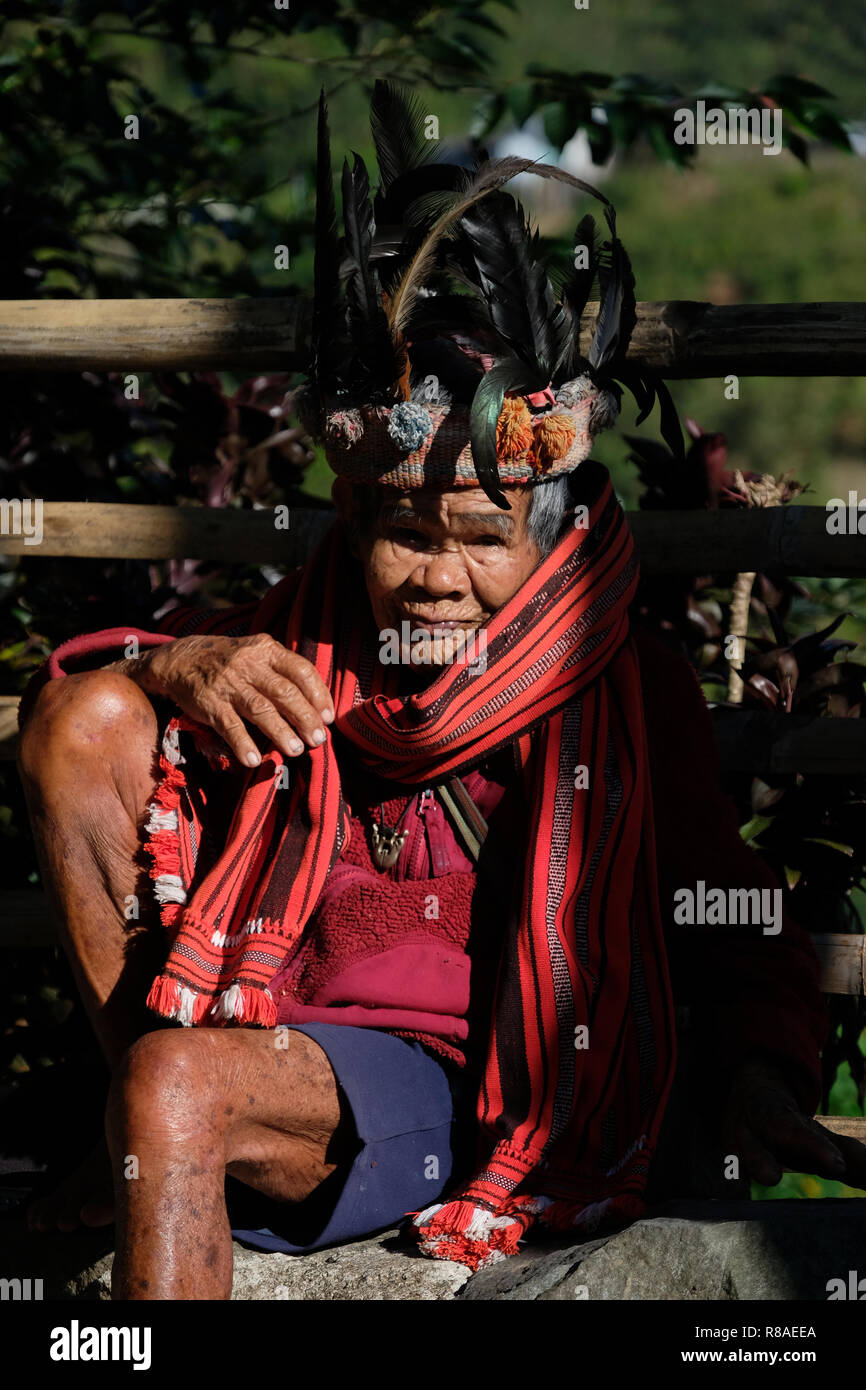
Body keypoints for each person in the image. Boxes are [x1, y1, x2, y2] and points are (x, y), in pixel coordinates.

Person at [16, 84, 866, 1297]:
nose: (436, 578)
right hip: (271, 1045)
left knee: (173, 1087)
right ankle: (156, 1128)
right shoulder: (303, 640)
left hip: (485, 1088)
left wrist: (760, 1077)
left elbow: (719, 896)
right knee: (83, 715)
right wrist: (164, 666)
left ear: (547, 537)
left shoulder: (616, 687)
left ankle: (157, 1124)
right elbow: (94, 735)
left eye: (478, 532)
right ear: (353, 523)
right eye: (403, 531)